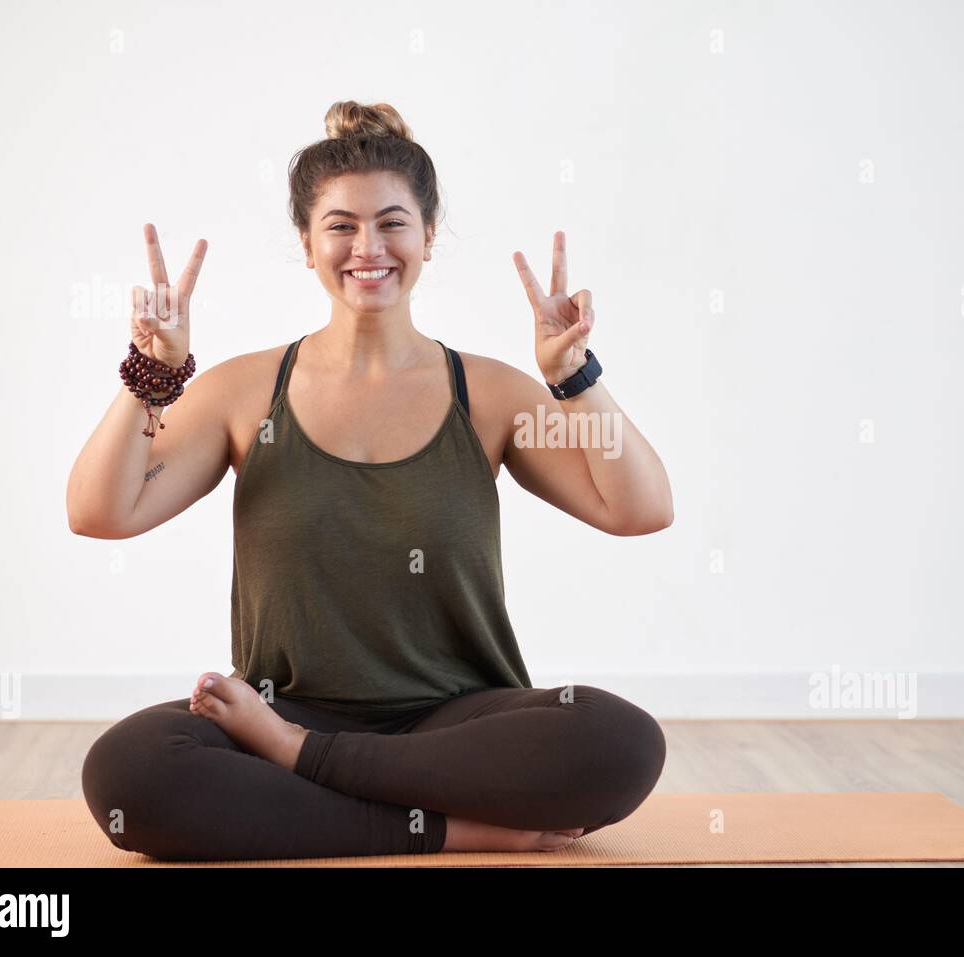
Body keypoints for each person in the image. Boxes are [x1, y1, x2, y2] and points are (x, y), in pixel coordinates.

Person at [68, 99, 673, 861]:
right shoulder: (243, 391)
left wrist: (575, 375)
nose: (368, 247)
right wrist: (150, 375)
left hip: (457, 724)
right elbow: (98, 511)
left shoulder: (487, 393)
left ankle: (306, 767)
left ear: (427, 235)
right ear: (306, 240)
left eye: (392, 222)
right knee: (129, 773)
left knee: (619, 741)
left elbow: (641, 508)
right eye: (341, 226)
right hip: (279, 709)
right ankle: (451, 829)